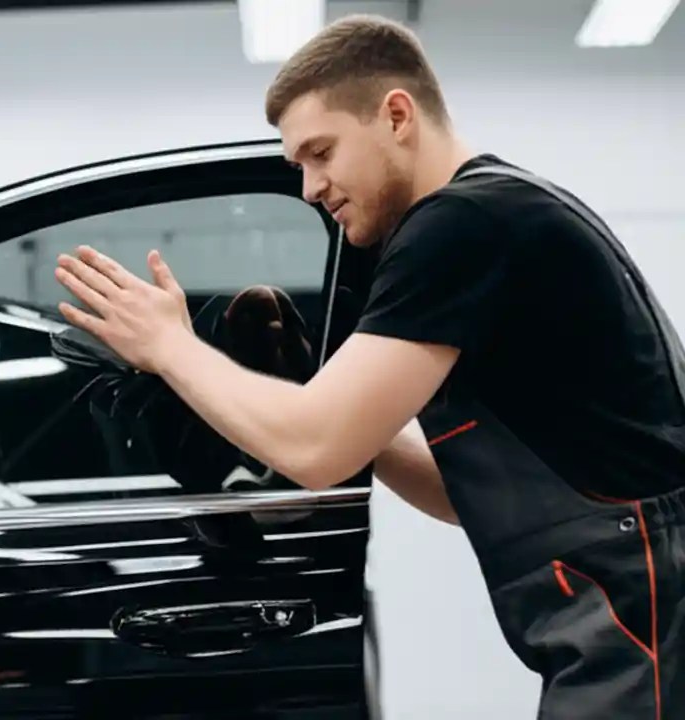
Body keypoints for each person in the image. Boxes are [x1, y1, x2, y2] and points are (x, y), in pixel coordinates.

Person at [52, 13, 683, 719]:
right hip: (630, 612)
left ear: (396, 115)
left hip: (644, 614)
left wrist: (170, 348)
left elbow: (315, 450)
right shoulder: (501, 211)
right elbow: (463, 493)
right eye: (298, 165)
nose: (310, 187)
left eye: (321, 153)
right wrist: (354, 422)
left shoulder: (459, 227)